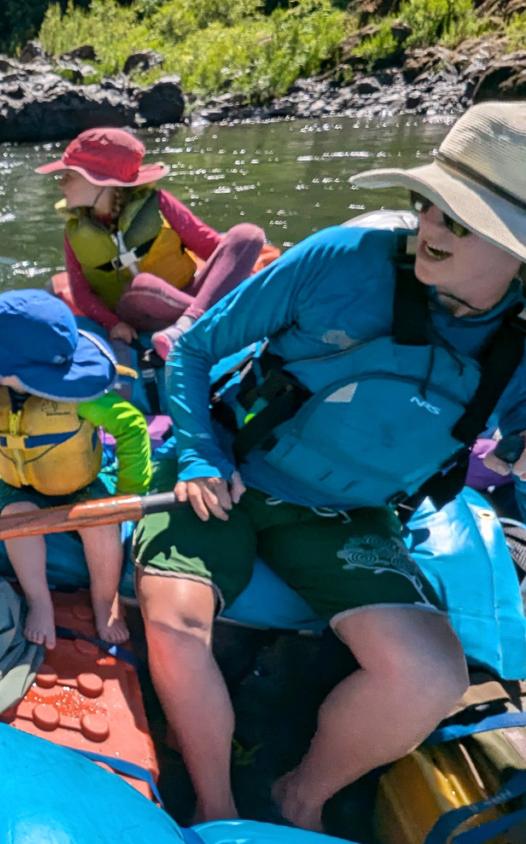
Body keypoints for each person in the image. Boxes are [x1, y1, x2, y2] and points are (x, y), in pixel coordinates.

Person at [132, 101, 526, 830]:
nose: (431, 228)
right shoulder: (345, 257)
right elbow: (191, 349)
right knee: (177, 626)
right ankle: (217, 812)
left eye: (461, 221)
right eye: (429, 204)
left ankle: (300, 798)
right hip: (233, 473)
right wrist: (196, 452)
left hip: (353, 512)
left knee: (430, 675)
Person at [0, 289, 152, 647]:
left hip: (81, 484)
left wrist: (128, 493)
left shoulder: (82, 399)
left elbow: (132, 427)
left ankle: (105, 602)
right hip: (18, 486)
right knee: (18, 522)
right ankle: (39, 601)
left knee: (100, 523)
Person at [40, 128, 267, 359]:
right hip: (137, 312)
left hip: (187, 299)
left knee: (248, 234)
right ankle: (226, 314)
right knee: (142, 285)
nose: (61, 184)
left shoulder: (159, 204)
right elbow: (81, 292)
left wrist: (240, 277)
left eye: (69, 176)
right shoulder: (74, 232)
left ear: (99, 183)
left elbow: (210, 247)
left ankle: (190, 324)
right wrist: (112, 324)